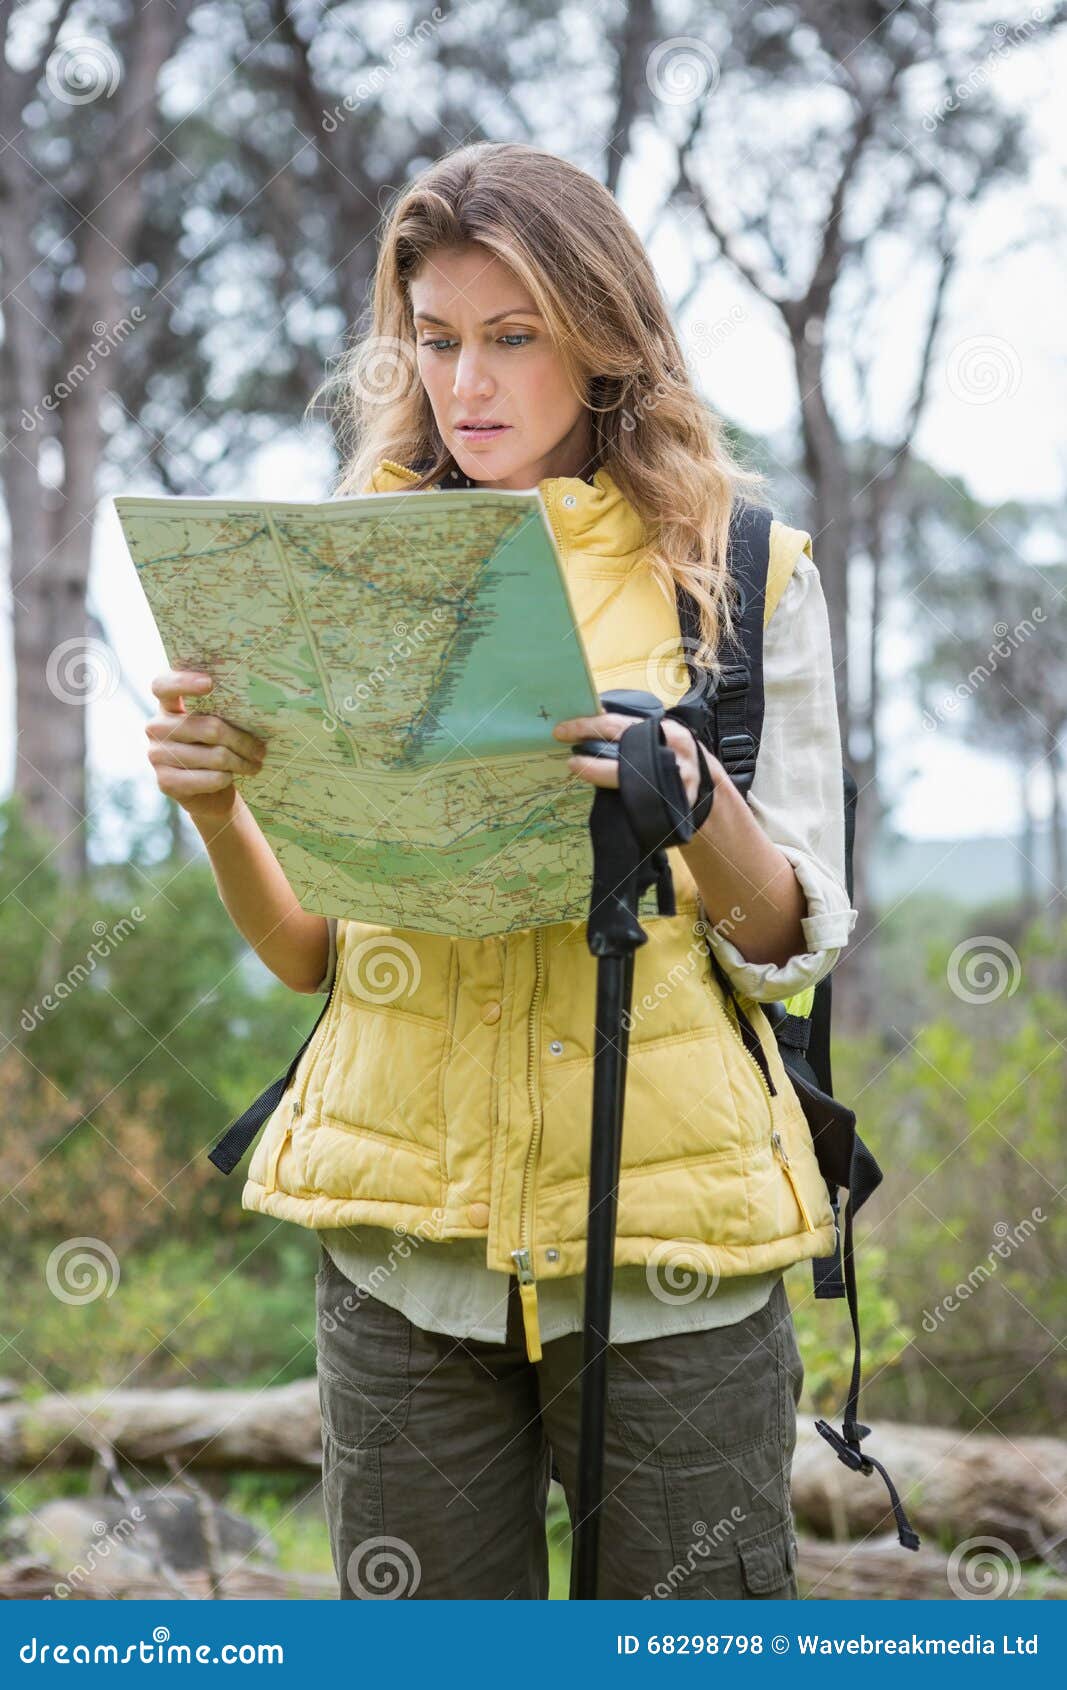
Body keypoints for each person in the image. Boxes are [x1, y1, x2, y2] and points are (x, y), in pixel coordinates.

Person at [145, 141, 856, 1602]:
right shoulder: (348, 566)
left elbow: (793, 934)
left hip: (675, 1250)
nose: (468, 380)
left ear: (601, 336)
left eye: (512, 337)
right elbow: (311, 956)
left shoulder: (737, 566)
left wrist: (695, 801)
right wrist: (218, 807)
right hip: (405, 1243)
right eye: (439, 339)